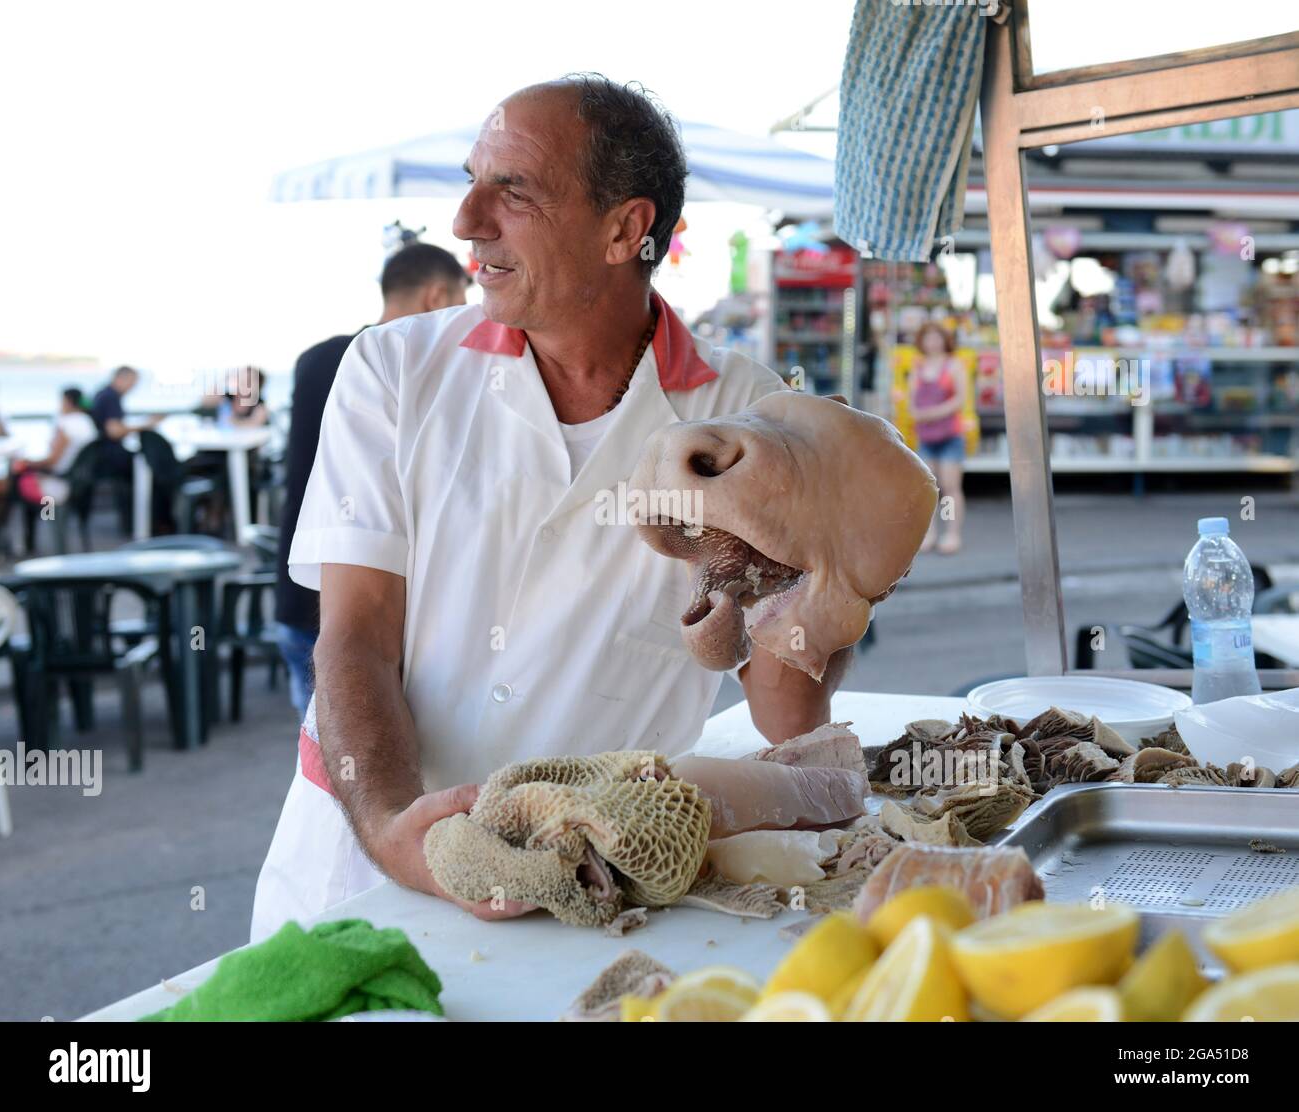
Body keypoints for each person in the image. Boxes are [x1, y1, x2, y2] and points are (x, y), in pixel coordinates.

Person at [251, 76, 855, 941]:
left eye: (514, 191)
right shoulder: (393, 370)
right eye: (471, 179)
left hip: (591, 887)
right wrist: (392, 831)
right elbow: (355, 634)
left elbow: (784, 713)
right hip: (359, 858)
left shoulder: (744, 414)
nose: (465, 219)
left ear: (624, 229)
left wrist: (840, 580)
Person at [274, 242, 470, 719]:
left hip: (299, 586)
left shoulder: (316, 360)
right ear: (436, 294)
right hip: (371, 608)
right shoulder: (417, 373)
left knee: (321, 766)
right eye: (460, 302)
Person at [908, 322, 967, 555]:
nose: (932, 342)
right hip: (925, 437)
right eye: (928, 337)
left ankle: (951, 534)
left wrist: (932, 413)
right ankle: (929, 534)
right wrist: (917, 414)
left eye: (936, 337)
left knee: (950, 487)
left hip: (950, 436)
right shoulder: (918, 367)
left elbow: (960, 400)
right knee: (929, 489)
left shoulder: (954, 366)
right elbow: (912, 401)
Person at [12, 388, 99, 504]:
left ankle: (44, 517)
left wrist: (27, 463)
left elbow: (52, 461)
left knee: (16, 475)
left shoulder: (66, 425)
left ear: (67, 402)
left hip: (57, 483)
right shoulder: (87, 422)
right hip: (79, 482)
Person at [90, 366, 162, 478]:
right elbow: (114, 431)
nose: (133, 386)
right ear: (121, 378)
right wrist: (147, 424)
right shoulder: (111, 397)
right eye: (132, 382)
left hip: (99, 453)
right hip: (108, 455)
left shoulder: (103, 393)